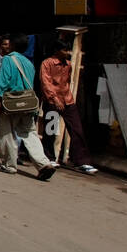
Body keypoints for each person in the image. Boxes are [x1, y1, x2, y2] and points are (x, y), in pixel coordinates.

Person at [0, 33, 58, 179]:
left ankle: (9, 165)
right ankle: (43, 163)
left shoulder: (8, 60)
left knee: (6, 134)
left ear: (13, 45)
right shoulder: (29, 63)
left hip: (11, 104)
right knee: (30, 134)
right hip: (28, 103)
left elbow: (3, 82)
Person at [39, 38, 97, 174]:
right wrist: (54, 98)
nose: (67, 52)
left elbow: (67, 82)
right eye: (65, 50)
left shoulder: (68, 65)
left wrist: (64, 98)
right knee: (50, 130)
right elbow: (45, 83)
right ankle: (49, 157)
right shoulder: (47, 63)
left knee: (77, 130)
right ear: (57, 51)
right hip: (52, 102)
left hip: (68, 100)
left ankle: (82, 161)